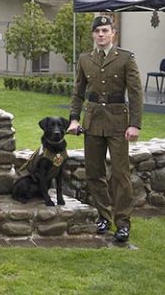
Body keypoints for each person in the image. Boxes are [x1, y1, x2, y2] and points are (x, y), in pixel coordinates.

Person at [66, 15, 142, 243]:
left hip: (119, 123)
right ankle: (103, 215)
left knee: (120, 175)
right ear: (93, 34)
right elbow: (78, 92)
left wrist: (135, 124)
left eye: (105, 30)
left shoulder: (126, 58)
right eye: (97, 31)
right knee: (94, 173)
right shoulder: (84, 59)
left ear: (113, 33)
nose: (101, 34)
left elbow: (136, 93)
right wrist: (73, 119)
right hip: (93, 121)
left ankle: (123, 223)